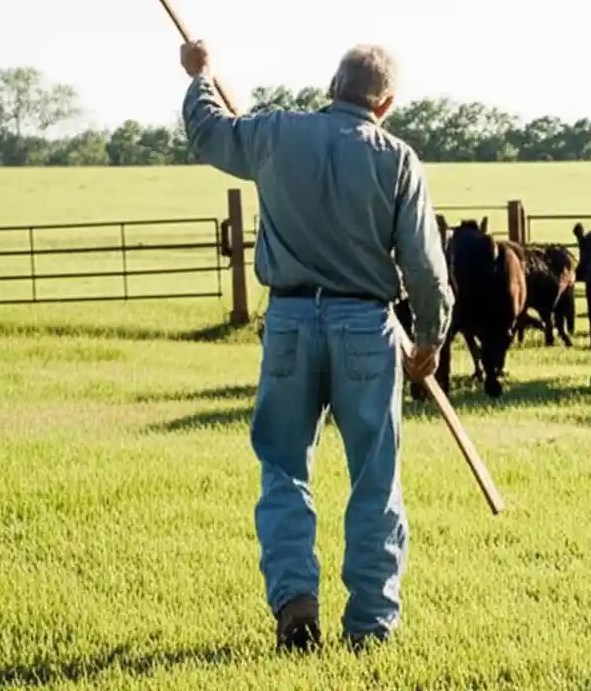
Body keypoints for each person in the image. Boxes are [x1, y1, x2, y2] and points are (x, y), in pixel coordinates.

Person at [179, 40, 454, 652]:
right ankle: (370, 628)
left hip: (290, 324)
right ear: (386, 103)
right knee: (374, 478)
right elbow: (427, 271)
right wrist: (430, 339)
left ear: (331, 84)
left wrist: (201, 76)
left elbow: (209, 132)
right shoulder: (398, 159)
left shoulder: (277, 133)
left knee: (283, 467)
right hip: (365, 327)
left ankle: (296, 601)